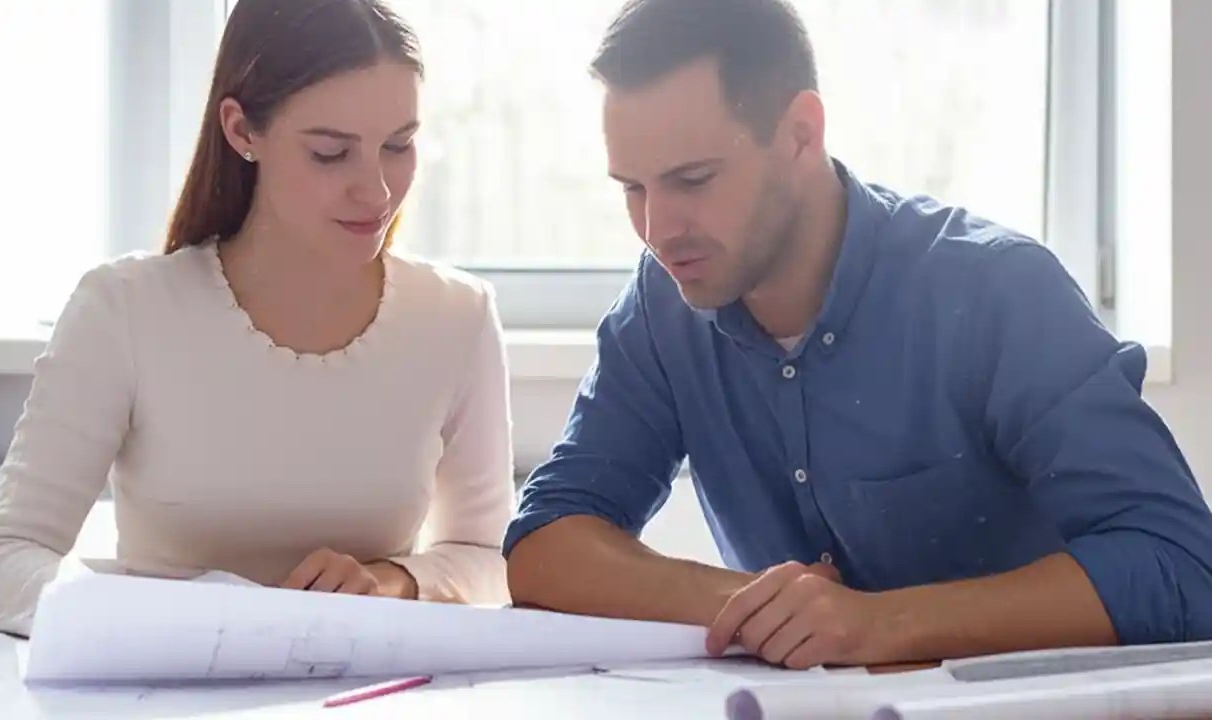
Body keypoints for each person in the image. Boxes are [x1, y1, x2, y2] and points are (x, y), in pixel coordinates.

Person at [504, 0, 1212, 669]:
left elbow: (1181, 565)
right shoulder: (661, 309)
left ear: (801, 136)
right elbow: (545, 544)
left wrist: (877, 622)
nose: (657, 230)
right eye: (632, 188)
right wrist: (760, 607)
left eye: (693, 180)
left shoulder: (995, 290)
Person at [0, 0, 514, 637]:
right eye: (331, 153)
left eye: (398, 146)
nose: (378, 191)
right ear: (243, 130)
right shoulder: (124, 309)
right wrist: (168, 621)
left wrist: (392, 580)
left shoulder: (456, 317)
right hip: (159, 688)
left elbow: (489, 558)